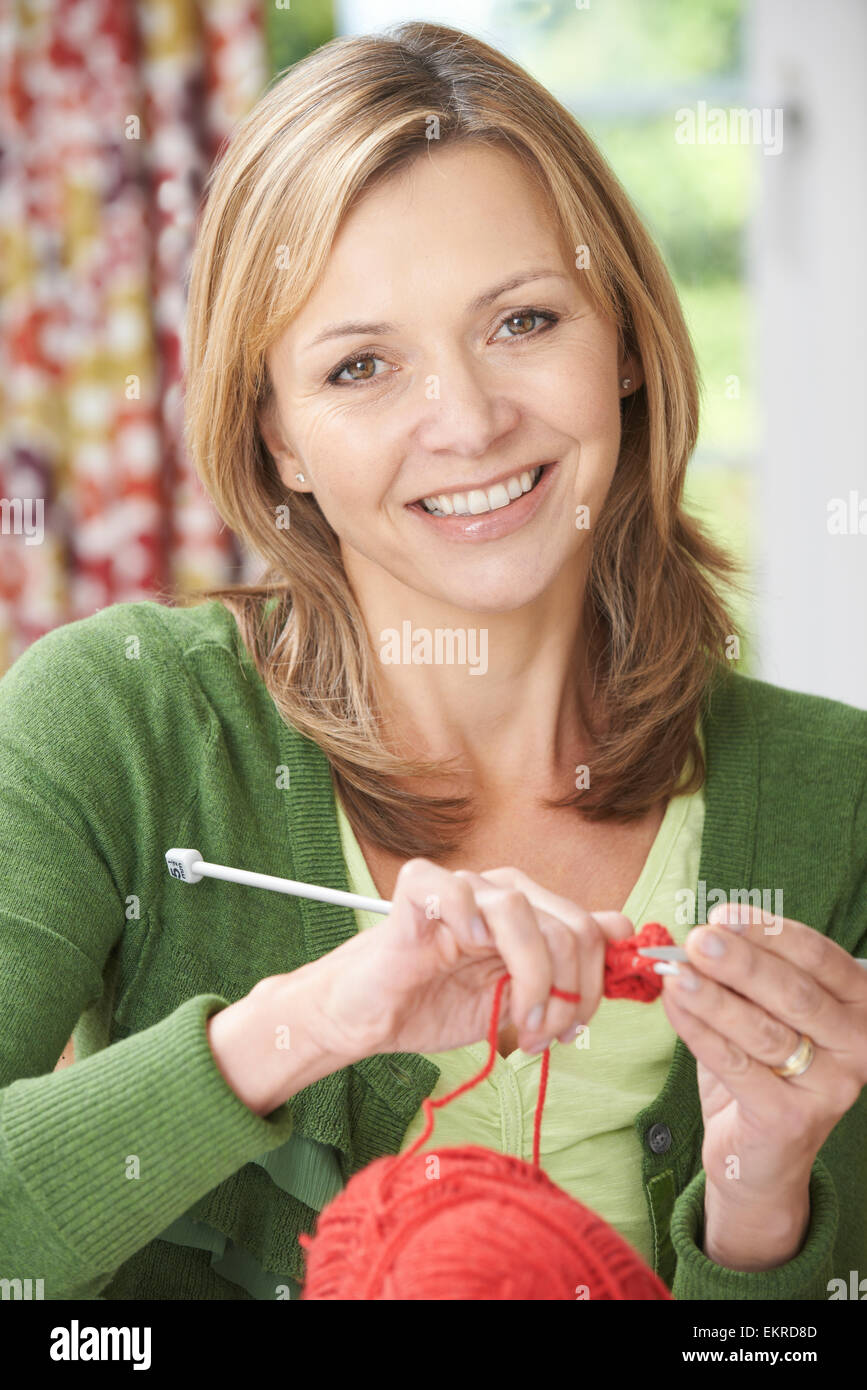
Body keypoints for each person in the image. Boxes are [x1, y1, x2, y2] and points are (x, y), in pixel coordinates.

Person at [1, 20, 865, 1302]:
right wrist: (309, 1024)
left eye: (522, 320)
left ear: (623, 342)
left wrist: (759, 1204)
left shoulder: (834, 796)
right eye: (360, 365)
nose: (464, 421)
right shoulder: (110, 722)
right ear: (279, 436)